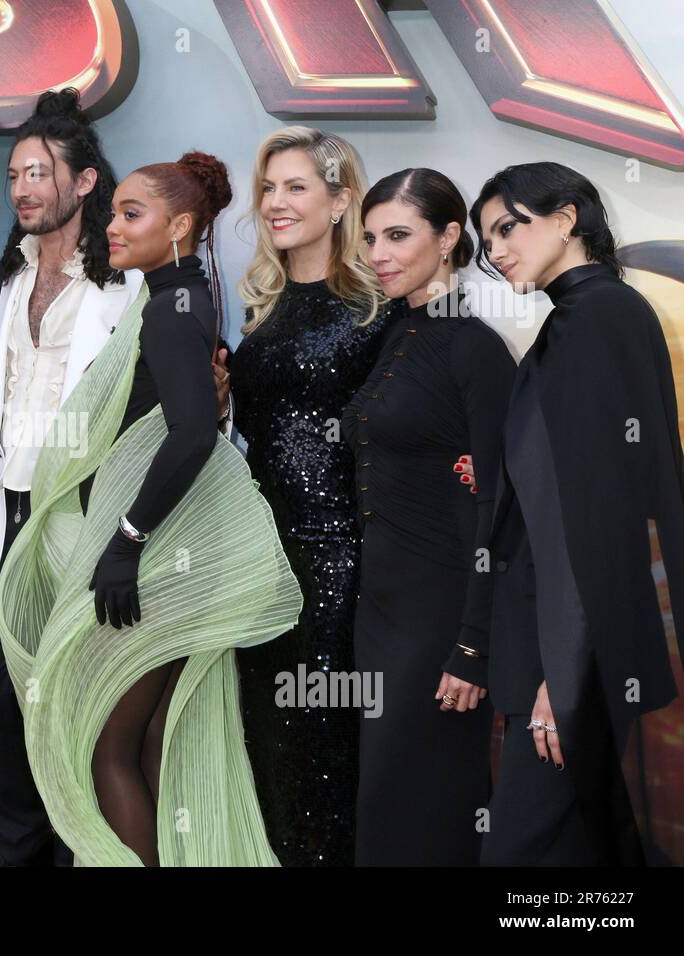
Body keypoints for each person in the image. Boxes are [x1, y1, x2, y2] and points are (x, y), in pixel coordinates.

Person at [0, 152, 302, 866]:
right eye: (115, 212)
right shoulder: (184, 297)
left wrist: (127, 541)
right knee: (162, 745)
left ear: (182, 225)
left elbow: (194, 434)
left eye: (132, 213)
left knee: (109, 751)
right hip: (174, 559)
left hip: (155, 564)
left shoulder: (171, 309)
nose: (113, 225)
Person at [469, 162, 682, 865]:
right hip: (560, 633)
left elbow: (600, 517)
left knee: (519, 848)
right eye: (486, 240)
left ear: (565, 218)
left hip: (574, 640)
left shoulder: (595, 320)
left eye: (508, 228)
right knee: (574, 847)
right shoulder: (584, 317)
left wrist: (561, 675)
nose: (496, 253)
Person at [0, 89, 141, 866]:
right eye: (13, 176)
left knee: (72, 709)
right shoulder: (6, 279)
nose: (24, 188)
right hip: (2, 521)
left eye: (39, 172)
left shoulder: (128, 286)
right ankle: (17, 850)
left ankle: (79, 854)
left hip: (83, 526)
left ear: (85, 181)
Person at [342, 168, 515, 865]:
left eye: (397, 235)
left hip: (440, 616)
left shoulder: (473, 346)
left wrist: (473, 647)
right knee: (387, 797)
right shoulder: (398, 333)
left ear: (448, 238)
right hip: (381, 608)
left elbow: (498, 504)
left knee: (427, 798)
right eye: (371, 237)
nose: (378, 253)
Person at [226, 126, 386, 866]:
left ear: (340, 199)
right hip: (261, 564)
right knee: (270, 749)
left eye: (296, 187)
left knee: (327, 749)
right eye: (268, 188)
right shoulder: (263, 309)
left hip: (339, 566)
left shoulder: (374, 312)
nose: (276, 203)